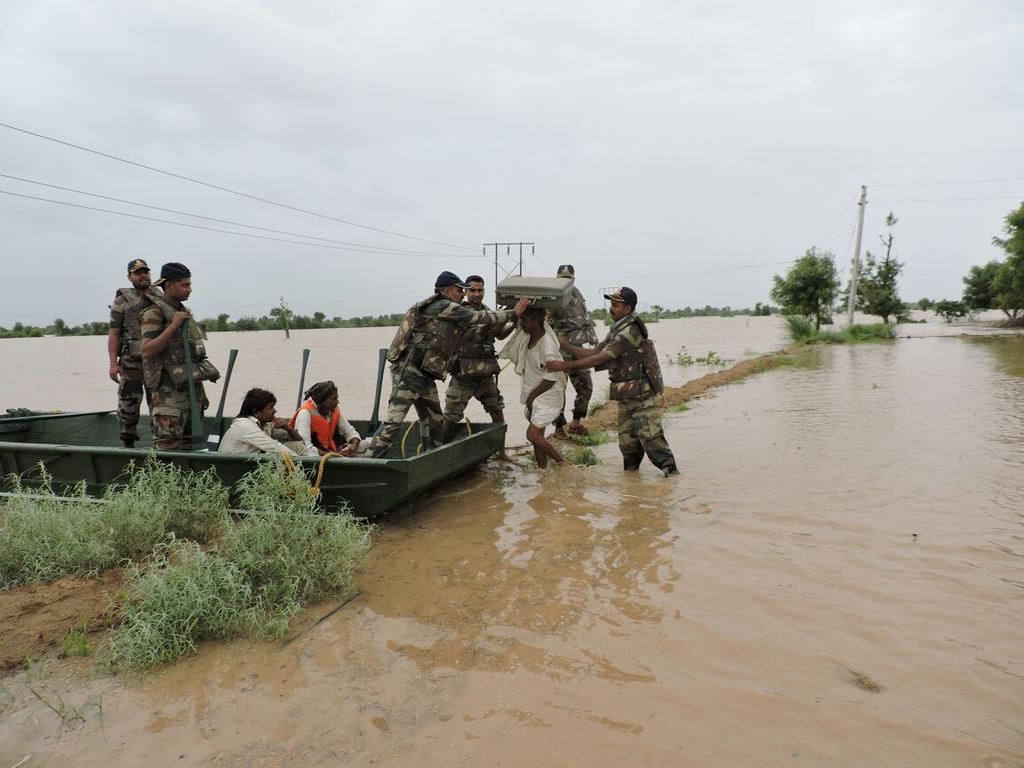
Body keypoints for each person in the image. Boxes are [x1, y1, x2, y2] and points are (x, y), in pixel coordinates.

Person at [371, 271, 531, 459]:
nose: (463, 294)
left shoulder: (450, 308)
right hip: (408, 373)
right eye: (459, 290)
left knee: (435, 424)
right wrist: (514, 311)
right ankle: (373, 460)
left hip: (425, 376)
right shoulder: (443, 306)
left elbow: (492, 327)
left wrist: (512, 317)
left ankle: (430, 460)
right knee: (394, 422)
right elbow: (478, 318)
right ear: (447, 291)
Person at [547, 287, 678, 476]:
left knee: (652, 440)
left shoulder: (630, 331)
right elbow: (594, 352)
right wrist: (564, 345)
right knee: (627, 444)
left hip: (642, 395)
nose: (610, 308)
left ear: (628, 308)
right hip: (627, 394)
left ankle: (672, 479)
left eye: (615, 305)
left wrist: (563, 365)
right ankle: (632, 482)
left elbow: (599, 358)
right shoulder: (618, 328)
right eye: (611, 304)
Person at [140, 262, 220, 451]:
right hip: (168, 395)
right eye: (184, 285)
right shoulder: (153, 313)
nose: (189, 289)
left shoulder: (183, 312)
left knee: (191, 446)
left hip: (192, 390)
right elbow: (147, 350)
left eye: (189, 284)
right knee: (169, 447)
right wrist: (172, 326)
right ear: (168, 285)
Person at [441, 275, 515, 443]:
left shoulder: (487, 310)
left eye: (479, 290)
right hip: (463, 375)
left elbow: (499, 334)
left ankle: (500, 450)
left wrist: (514, 321)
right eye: (472, 290)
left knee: (497, 411)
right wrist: (509, 314)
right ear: (465, 292)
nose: (476, 294)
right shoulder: (461, 310)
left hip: (485, 374)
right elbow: (481, 327)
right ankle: (436, 452)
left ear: (484, 291)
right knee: (451, 417)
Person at [107, 259, 160, 448]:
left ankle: (160, 447)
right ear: (130, 277)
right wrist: (113, 363)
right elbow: (114, 333)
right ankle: (128, 447)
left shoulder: (158, 295)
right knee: (129, 408)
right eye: (138, 273)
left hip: (157, 363)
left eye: (146, 271)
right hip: (131, 364)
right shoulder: (122, 300)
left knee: (160, 406)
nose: (143, 275)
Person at [505, 306, 565, 468]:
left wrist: (532, 396)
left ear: (535, 321)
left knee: (532, 435)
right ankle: (542, 471)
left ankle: (563, 464)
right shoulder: (529, 337)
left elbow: (551, 377)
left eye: (524, 319)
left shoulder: (547, 344)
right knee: (539, 439)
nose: (521, 323)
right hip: (536, 395)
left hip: (547, 396)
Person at [546, 264, 598, 441]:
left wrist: (593, 338)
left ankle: (575, 423)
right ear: (557, 278)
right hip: (560, 349)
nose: (565, 281)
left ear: (573, 278)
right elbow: (545, 320)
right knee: (559, 390)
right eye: (562, 278)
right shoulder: (553, 294)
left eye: (568, 278)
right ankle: (559, 427)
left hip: (579, 347)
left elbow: (585, 319)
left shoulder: (577, 293)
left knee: (586, 386)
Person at [220, 388, 309, 455]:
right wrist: (298, 460)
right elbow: (274, 447)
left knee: (297, 446)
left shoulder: (266, 424)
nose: (275, 411)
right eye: (270, 407)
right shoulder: (244, 425)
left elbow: (300, 442)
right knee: (283, 452)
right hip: (236, 469)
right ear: (256, 412)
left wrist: (288, 428)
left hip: (252, 465)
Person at [290, 380, 362, 456]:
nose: (337, 402)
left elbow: (349, 431)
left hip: (329, 451)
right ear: (321, 400)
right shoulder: (305, 413)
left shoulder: (333, 410)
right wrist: (332, 455)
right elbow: (306, 448)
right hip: (314, 454)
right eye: (334, 399)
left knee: (362, 446)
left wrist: (353, 446)